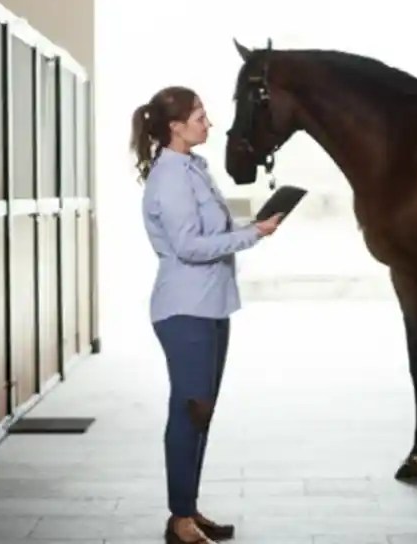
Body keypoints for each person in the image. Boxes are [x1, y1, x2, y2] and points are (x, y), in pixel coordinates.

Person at [132, 86, 283, 544]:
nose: (208, 123)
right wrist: (252, 235)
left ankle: (189, 509)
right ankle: (179, 521)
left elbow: (209, 231)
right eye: (199, 116)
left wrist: (252, 227)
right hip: (186, 308)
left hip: (210, 305)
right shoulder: (172, 176)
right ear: (175, 127)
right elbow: (188, 247)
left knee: (202, 412)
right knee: (189, 409)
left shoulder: (193, 167)